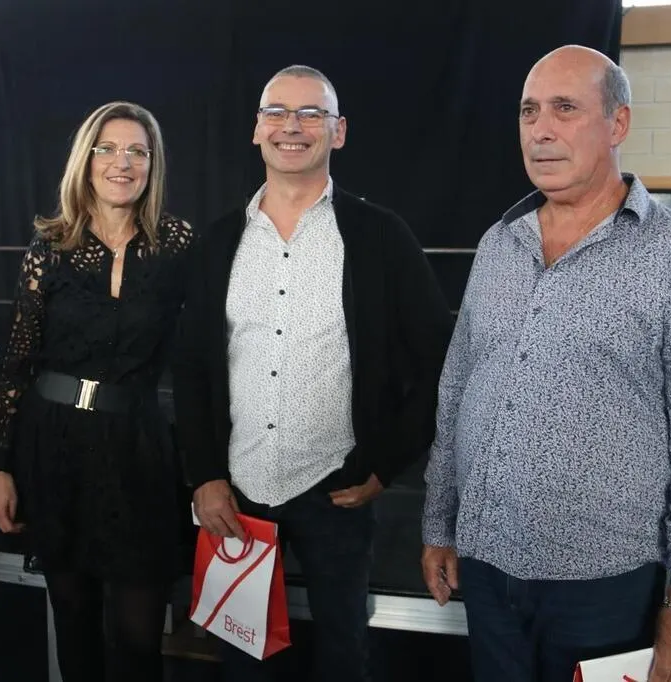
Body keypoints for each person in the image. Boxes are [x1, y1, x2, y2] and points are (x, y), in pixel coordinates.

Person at [421, 45, 671, 682]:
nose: (540, 130)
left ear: (617, 124)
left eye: (564, 109)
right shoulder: (498, 244)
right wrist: (438, 521)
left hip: (607, 590)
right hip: (486, 571)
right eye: (529, 111)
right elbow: (458, 388)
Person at [173, 65, 453, 681]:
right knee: (243, 663)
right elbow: (192, 370)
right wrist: (204, 476)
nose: (291, 127)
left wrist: (385, 462)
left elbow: (442, 362)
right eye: (276, 112)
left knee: (343, 658)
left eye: (310, 114)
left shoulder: (380, 237)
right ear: (256, 129)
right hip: (237, 494)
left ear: (339, 131)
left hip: (337, 492)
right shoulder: (220, 242)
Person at [0, 101, 194, 682]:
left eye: (137, 151)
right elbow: (16, 362)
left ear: (152, 165)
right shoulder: (49, 246)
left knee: (138, 636)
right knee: (73, 619)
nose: (121, 162)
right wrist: (1, 467)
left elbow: (200, 357)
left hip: (137, 450)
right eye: (107, 148)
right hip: (54, 447)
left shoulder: (177, 244)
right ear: (86, 159)